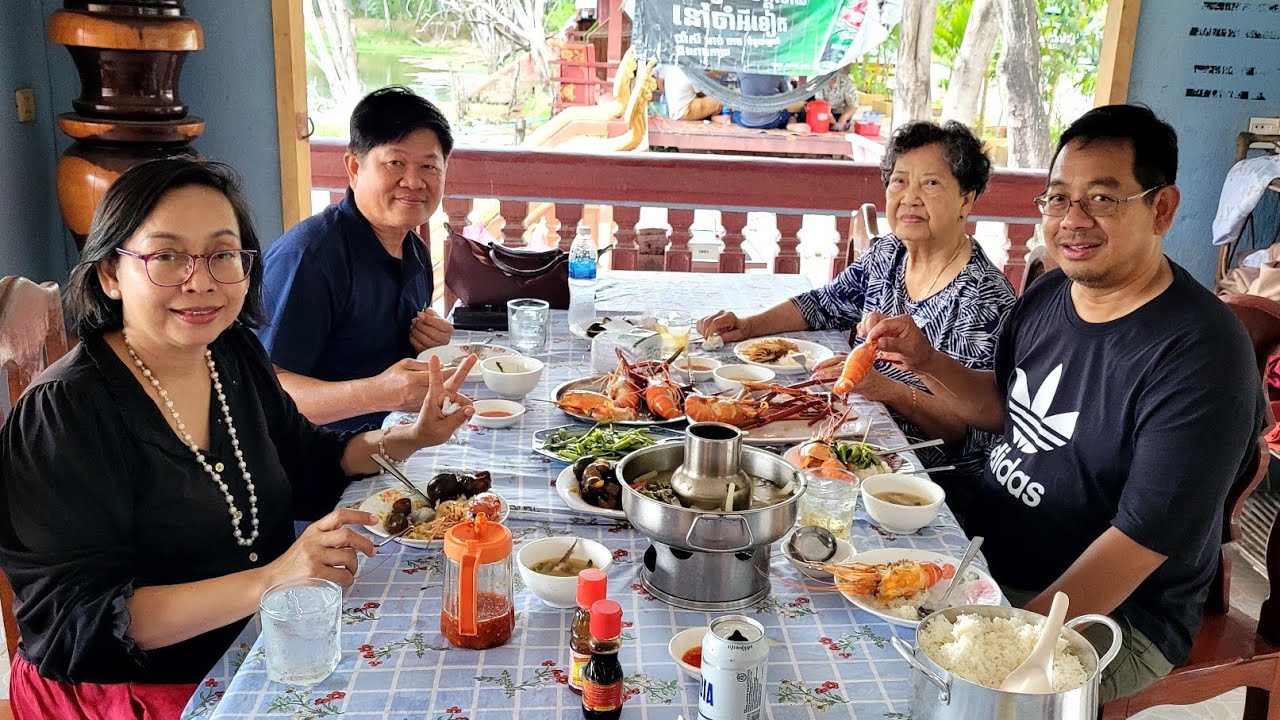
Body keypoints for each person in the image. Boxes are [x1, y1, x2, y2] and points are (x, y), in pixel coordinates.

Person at [0, 158, 477, 719]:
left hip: (265, 641)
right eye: (167, 256)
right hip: (143, 689)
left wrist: (408, 437)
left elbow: (307, 460)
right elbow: (75, 624)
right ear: (109, 273)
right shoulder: (64, 413)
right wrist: (272, 580)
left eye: (222, 254)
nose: (200, 281)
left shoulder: (232, 353)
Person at [865, 105, 1265, 701]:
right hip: (985, 545)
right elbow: (1004, 407)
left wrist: (994, 640)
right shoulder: (1052, 291)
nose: (1073, 221)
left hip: (1110, 615)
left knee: (913, 692)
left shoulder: (1201, 357)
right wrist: (925, 361)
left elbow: (1135, 546)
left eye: (1102, 199)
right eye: (1057, 199)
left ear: (1162, 208)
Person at [698, 121, 1015, 512]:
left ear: (966, 199)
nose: (910, 198)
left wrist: (886, 388)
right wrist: (747, 326)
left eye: (931, 184)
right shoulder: (889, 253)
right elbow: (824, 304)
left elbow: (961, 433)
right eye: (899, 181)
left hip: (923, 484)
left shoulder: (982, 298)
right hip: (855, 437)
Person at [257, 86, 455, 432]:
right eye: (395, 162)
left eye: (429, 166)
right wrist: (378, 394)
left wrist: (426, 342)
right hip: (317, 468)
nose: (413, 181)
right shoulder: (311, 258)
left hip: (394, 442)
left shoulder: (415, 250)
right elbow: (264, 391)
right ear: (353, 167)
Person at [655, 64, 722, 121]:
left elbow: (659, 81)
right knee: (720, 100)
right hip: (684, 112)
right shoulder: (691, 72)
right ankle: (714, 117)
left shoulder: (667, 66)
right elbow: (701, 93)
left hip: (673, 109)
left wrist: (667, 94)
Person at [730, 73, 795, 130]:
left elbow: (742, 91)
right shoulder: (776, 73)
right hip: (772, 122)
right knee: (791, 114)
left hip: (746, 122)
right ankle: (791, 125)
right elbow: (785, 95)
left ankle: (726, 119)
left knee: (735, 113)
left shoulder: (741, 71)